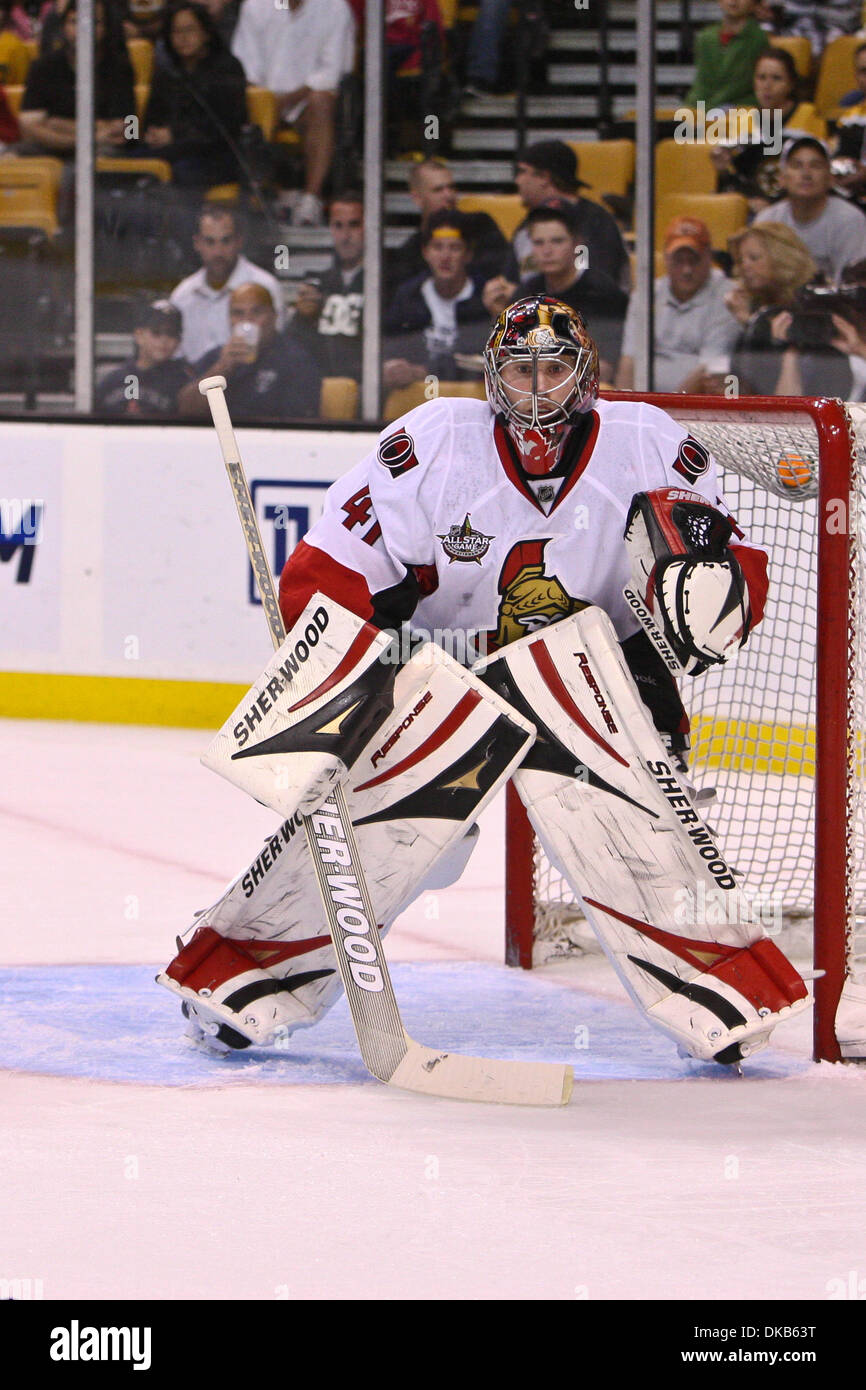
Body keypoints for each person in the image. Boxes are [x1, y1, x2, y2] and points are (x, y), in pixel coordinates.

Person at [159, 294, 811, 1070]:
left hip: (596, 682)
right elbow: (329, 573)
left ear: (586, 373)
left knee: (634, 830)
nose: (538, 386)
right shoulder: (434, 442)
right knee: (393, 835)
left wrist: (709, 600)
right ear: (492, 375)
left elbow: (736, 571)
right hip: (445, 676)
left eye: (555, 367)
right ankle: (241, 980)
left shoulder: (647, 442)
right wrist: (336, 681)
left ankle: (721, 992)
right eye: (520, 367)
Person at [230, 0, 355, 226]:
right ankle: (266, 196)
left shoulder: (335, 7)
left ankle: (310, 199)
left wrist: (288, 99)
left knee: (322, 101)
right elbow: (246, 65)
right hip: (263, 98)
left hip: (307, 99)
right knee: (247, 102)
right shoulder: (255, 5)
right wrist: (268, 102)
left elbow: (333, 69)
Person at [484, 203, 629, 382]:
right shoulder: (527, 291)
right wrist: (497, 315)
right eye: (538, 243)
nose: (547, 251)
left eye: (557, 241)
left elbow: (605, 366)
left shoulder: (603, 293)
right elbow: (506, 356)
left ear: (577, 245)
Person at [726, 221, 853, 395]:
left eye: (754, 258)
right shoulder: (755, 310)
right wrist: (749, 322)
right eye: (741, 260)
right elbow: (736, 388)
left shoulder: (815, 308)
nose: (745, 266)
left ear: (782, 257)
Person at [616, 216, 739, 393]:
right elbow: (629, 359)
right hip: (647, 401)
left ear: (708, 257)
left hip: (695, 404)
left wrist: (669, 406)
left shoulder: (728, 296)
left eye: (694, 260)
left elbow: (709, 369)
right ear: (665, 258)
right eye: (679, 261)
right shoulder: (646, 295)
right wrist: (624, 407)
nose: (686, 270)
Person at [140, 1, 247, 188]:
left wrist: (175, 134)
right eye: (176, 32)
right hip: (168, 151)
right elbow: (140, 118)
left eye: (189, 30)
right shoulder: (166, 72)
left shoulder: (227, 68)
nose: (183, 38)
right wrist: (144, 134)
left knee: (181, 174)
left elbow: (225, 126)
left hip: (214, 156)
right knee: (123, 163)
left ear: (206, 33)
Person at [178, 280, 321, 419]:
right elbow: (184, 409)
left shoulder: (296, 360)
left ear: (274, 316)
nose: (247, 320)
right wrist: (223, 367)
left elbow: (298, 423)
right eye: (238, 313)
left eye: (257, 312)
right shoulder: (217, 357)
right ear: (229, 319)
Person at [383, 209, 489, 390]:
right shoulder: (408, 295)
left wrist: (425, 371)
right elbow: (392, 346)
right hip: (416, 395)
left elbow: (478, 361)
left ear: (468, 254)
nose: (445, 256)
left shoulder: (484, 297)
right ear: (425, 252)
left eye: (454, 248)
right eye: (437, 247)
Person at [711, 48, 826, 213]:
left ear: (791, 84)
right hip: (752, 208)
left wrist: (776, 206)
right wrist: (723, 169)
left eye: (776, 78)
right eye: (761, 78)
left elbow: (817, 174)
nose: (767, 86)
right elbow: (735, 180)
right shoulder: (743, 120)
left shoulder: (808, 115)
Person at [169, 203, 285, 363]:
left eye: (226, 241)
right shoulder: (182, 295)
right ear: (197, 243)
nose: (218, 252)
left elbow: (277, 349)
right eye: (210, 242)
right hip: (197, 385)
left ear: (239, 241)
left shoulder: (265, 286)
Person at [18, 0, 134, 157]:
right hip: (51, 147)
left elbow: (130, 131)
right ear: (64, 26)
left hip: (103, 151)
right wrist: (94, 133)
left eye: (94, 22)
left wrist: (57, 124)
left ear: (106, 28)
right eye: (74, 21)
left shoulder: (120, 68)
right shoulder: (43, 67)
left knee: (106, 158)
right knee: (13, 156)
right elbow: (28, 126)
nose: (83, 29)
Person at [508, 140, 630, 289]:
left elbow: (596, 286)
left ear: (544, 178)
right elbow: (510, 280)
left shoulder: (595, 223)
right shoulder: (526, 227)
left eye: (522, 172)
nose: (517, 181)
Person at [753, 135, 866, 284]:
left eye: (816, 166)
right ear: (782, 178)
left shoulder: (850, 220)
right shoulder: (767, 221)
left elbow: (853, 288)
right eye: (796, 166)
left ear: (830, 178)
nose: (806, 174)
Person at [386, 157, 509, 292]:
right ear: (417, 198)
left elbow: (503, 271)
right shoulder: (408, 254)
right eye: (438, 190)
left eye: (451, 188)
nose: (449, 195)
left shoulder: (481, 225)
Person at [287, 190, 364, 382]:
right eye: (338, 226)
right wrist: (303, 318)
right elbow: (292, 345)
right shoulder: (317, 283)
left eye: (354, 225)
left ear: (369, 226)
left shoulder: (386, 283)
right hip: (319, 389)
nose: (345, 236)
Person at [95, 299, 191, 416]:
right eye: (156, 332)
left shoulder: (183, 383)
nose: (164, 340)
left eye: (171, 334)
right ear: (139, 335)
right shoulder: (113, 381)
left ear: (179, 341)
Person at [685, 0, 769, 110]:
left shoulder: (759, 39)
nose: (733, 1)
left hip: (741, 107)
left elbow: (743, 84)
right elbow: (702, 81)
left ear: (754, 4)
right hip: (705, 104)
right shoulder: (705, 37)